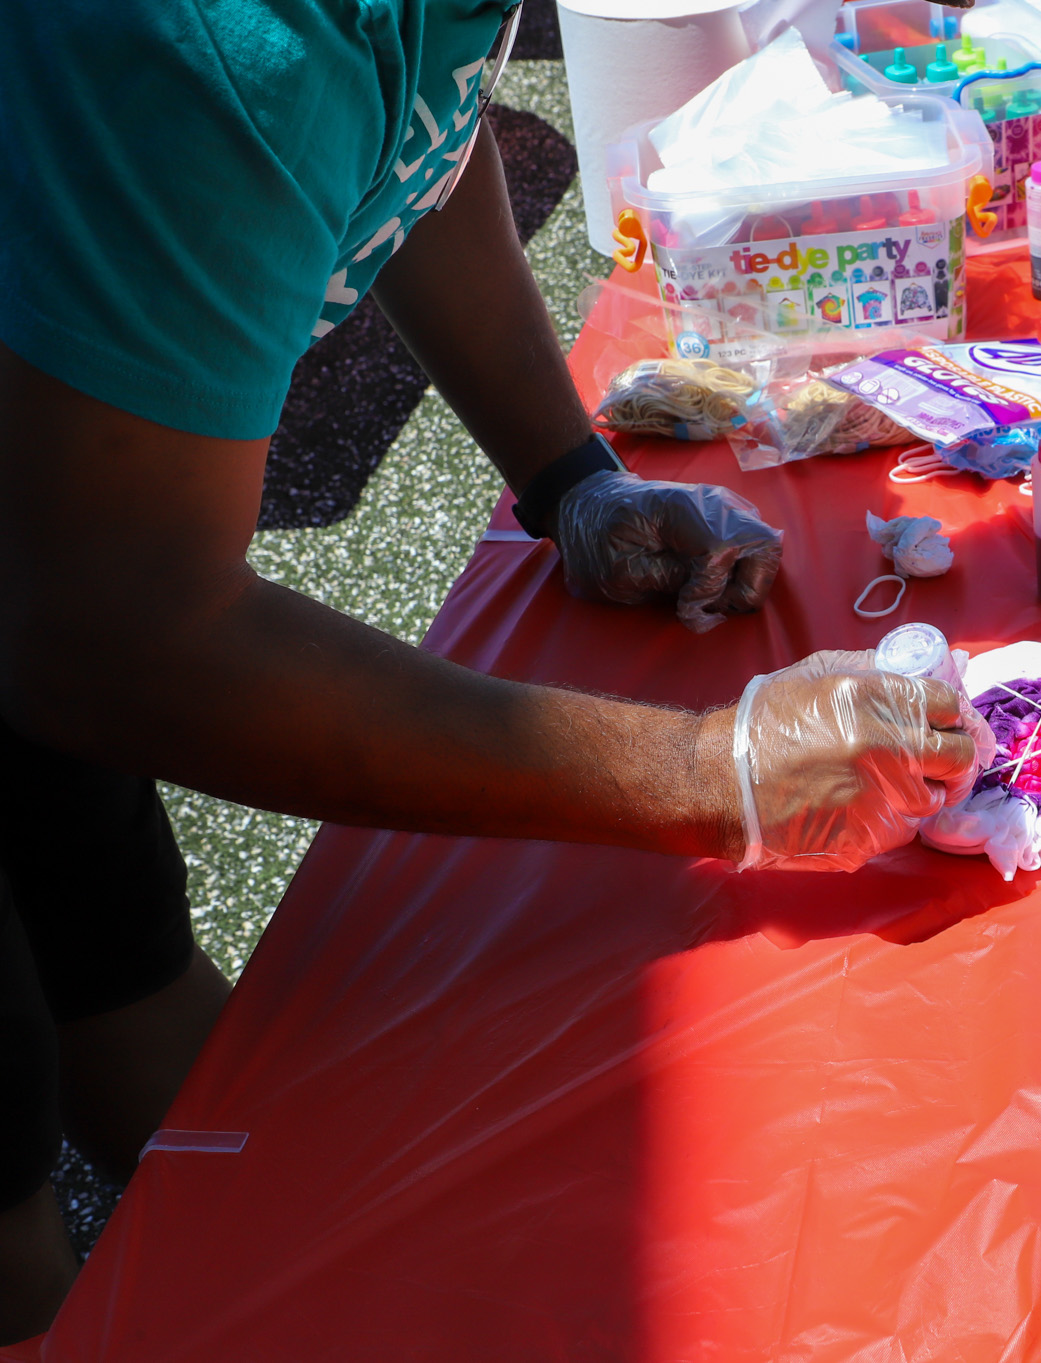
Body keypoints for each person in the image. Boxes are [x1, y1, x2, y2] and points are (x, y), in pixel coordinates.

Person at [0, 1, 984, 1342]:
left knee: (119, 979)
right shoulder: (214, 44)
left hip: (44, 524)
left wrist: (569, 471)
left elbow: (422, 133)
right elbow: (115, 642)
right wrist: (710, 771)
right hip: (50, 563)